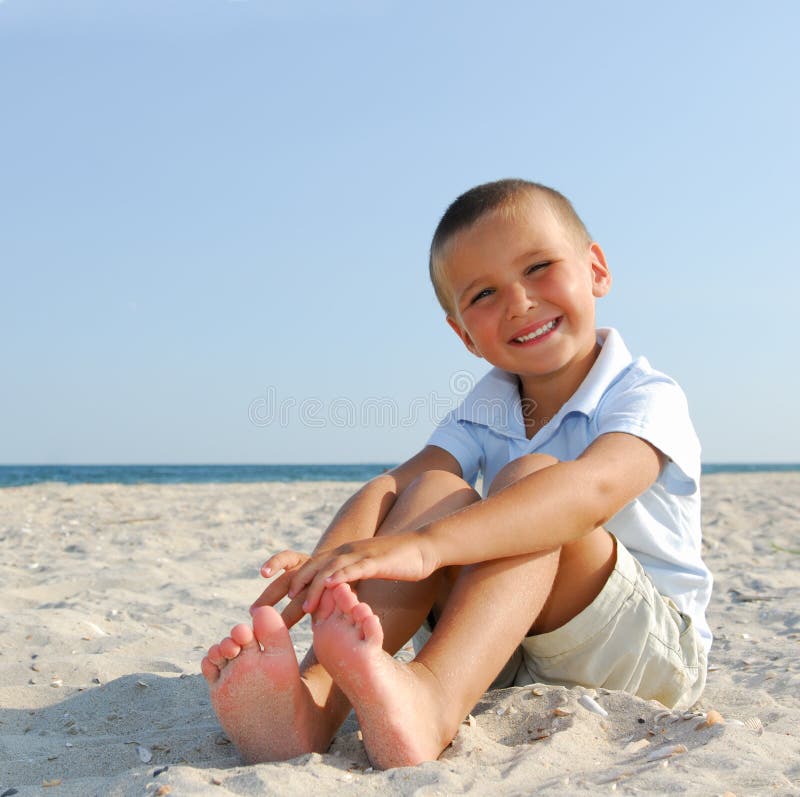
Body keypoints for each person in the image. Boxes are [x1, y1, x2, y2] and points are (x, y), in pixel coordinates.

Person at [200, 179, 712, 770]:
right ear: (463, 334)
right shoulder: (487, 405)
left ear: (596, 269)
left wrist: (426, 548)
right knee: (435, 489)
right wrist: (333, 561)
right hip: (503, 644)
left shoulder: (644, 394)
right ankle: (315, 700)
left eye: (540, 267)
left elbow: (591, 493)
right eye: (485, 294)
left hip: (644, 652)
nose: (518, 302)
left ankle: (434, 700)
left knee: (531, 478)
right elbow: (395, 485)